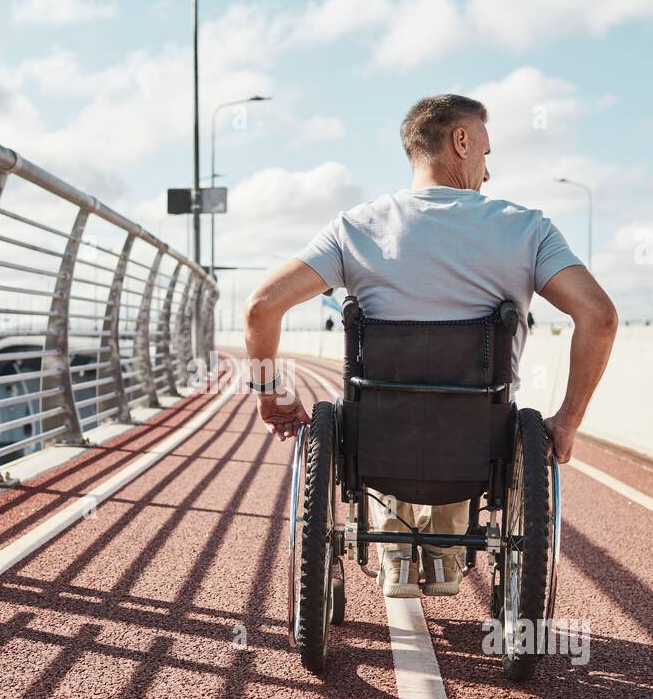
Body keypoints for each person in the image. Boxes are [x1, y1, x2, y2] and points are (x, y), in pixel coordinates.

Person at [243, 93, 617, 599]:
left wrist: (271, 394)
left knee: (375, 409)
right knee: (472, 414)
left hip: (375, 444)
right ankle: (443, 556)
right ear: (460, 141)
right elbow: (599, 317)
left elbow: (261, 307)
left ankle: (394, 550)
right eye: (486, 152)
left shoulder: (355, 228)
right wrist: (567, 421)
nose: (488, 174)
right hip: (475, 446)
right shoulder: (528, 229)